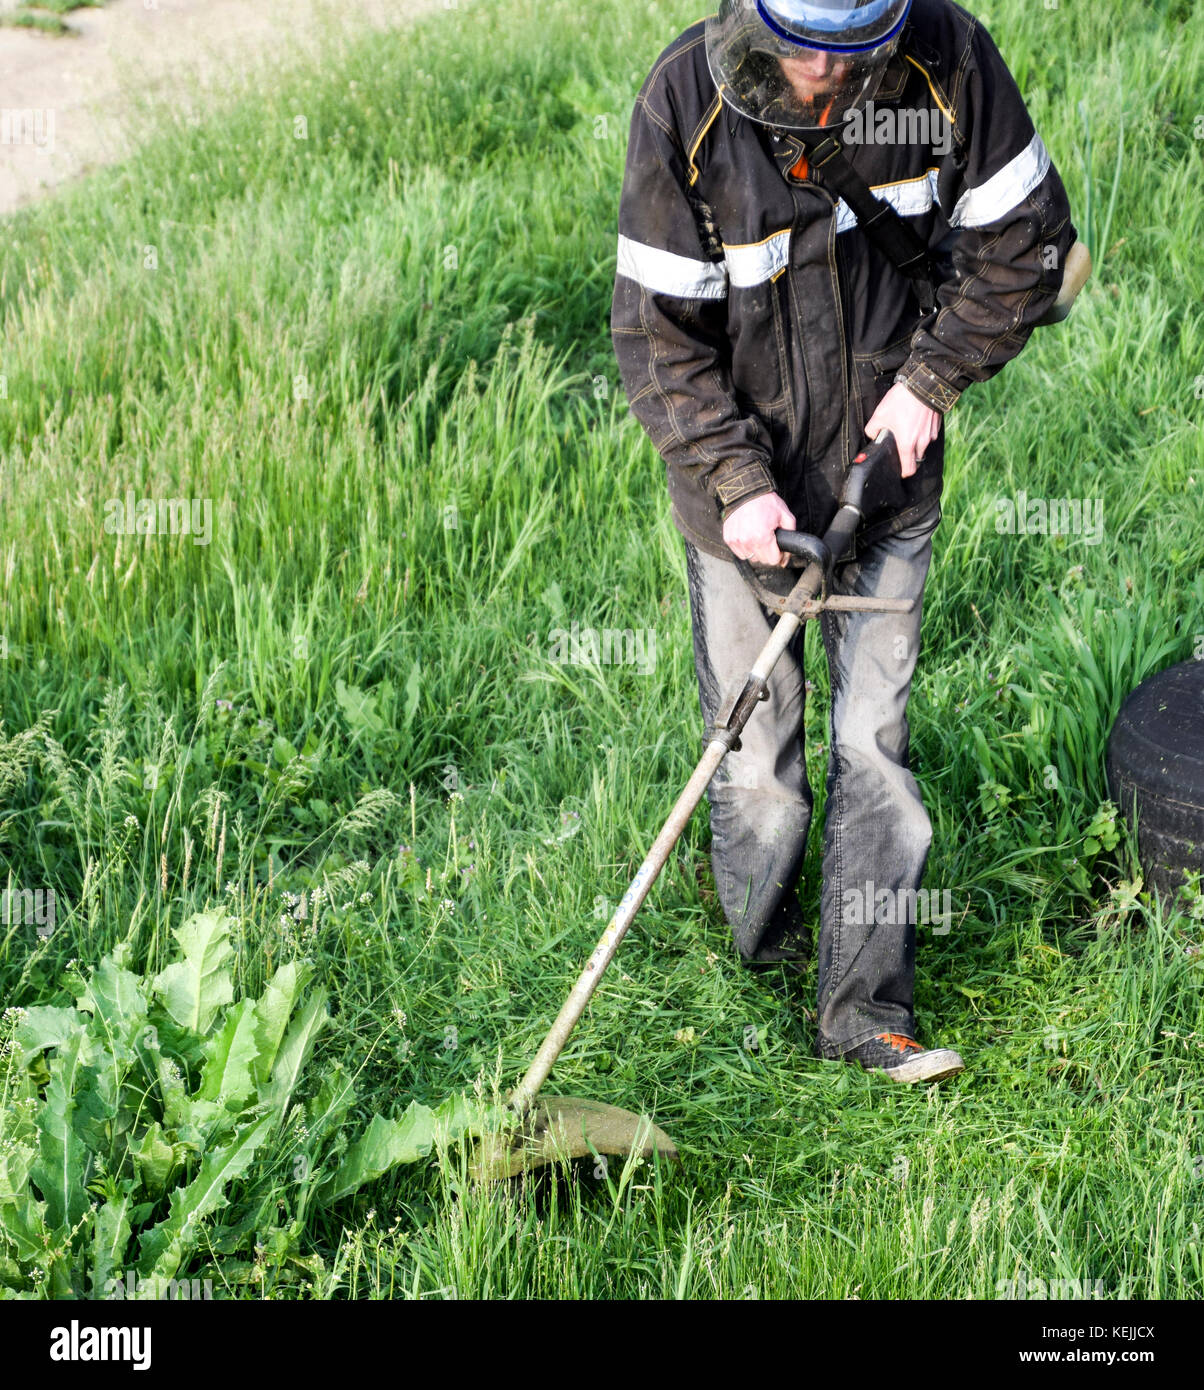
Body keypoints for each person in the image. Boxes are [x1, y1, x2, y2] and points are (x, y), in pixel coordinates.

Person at [610, 0, 1077, 1083]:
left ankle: (865, 1009)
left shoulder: (950, 61)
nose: (819, 72)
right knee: (755, 752)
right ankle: (751, 955)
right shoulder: (680, 100)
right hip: (742, 509)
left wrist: (929, 384)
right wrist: (735, 485)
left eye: (846, 53)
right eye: (800, 46)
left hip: (887, 479)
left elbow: (1025, 246)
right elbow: (654, 337)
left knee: (873, 745)